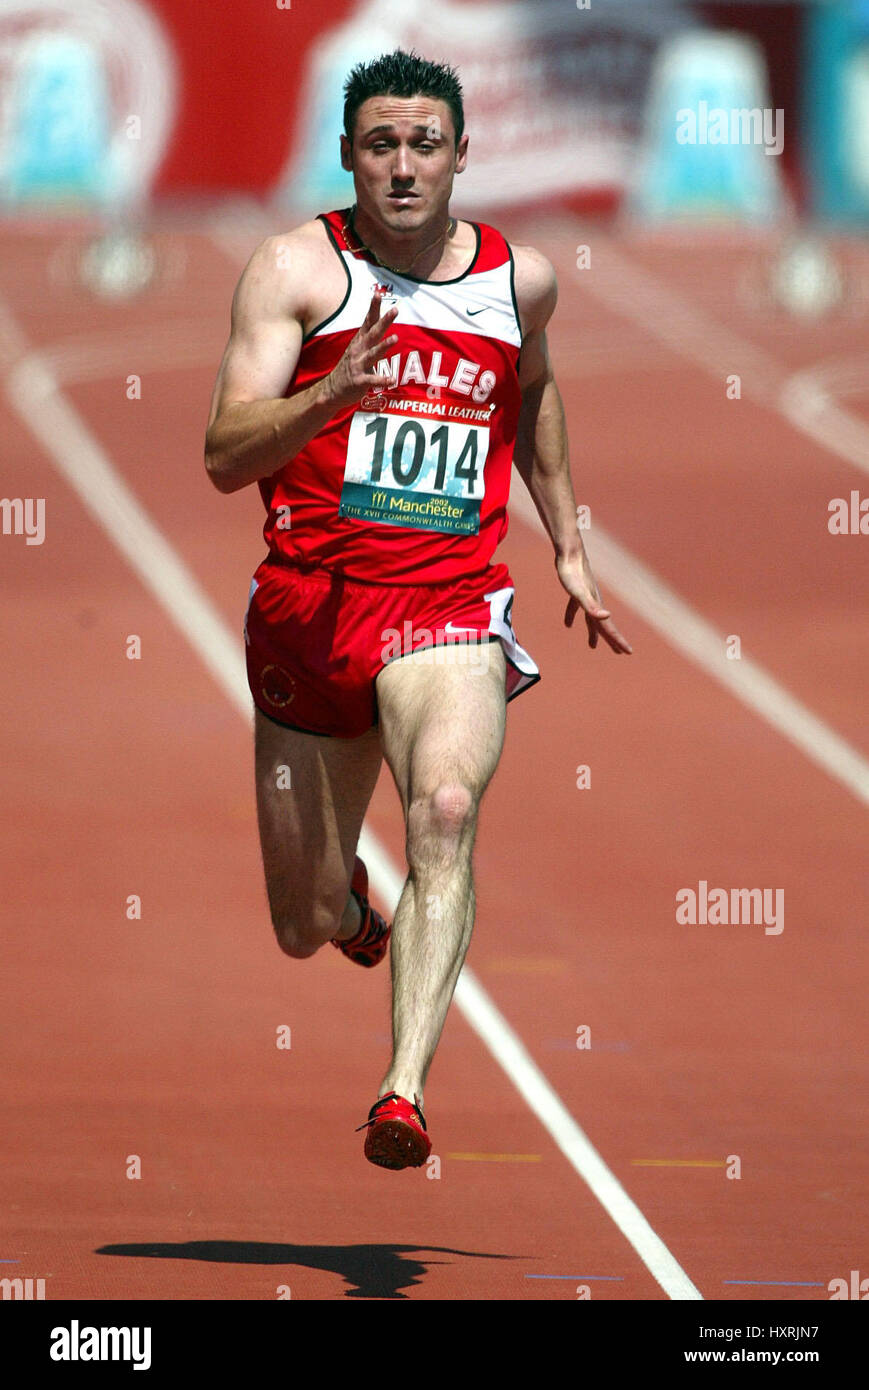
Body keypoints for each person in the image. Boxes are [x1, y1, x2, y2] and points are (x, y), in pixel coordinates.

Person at [204, 49, 631, 1171]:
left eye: (424, 145)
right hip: (310, 611)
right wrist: (329, 394)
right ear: (348, 155)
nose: (403, 167)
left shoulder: (518, 279)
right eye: (381, 145)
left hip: (446, 607)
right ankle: (349, 907)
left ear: (459, 155)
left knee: (443, 806)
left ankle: (401, 1091)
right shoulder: (296, 272)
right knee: (299, 923)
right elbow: (222, 454)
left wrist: (567, 542)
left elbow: (533, 384)